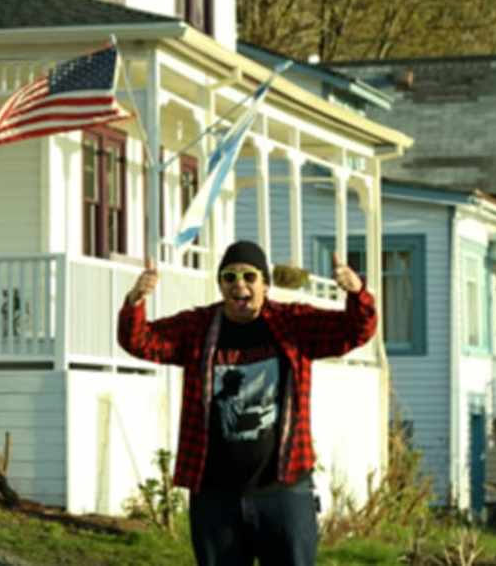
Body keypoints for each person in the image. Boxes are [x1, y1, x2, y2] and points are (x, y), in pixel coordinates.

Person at [117, 240, 376, 566]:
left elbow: (355, 331)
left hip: (283, 490)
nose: (239, 284)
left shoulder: (293, 324)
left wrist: (357, 293)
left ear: (265, 284)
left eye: (249, 276)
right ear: (221, 286)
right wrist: (134, 301)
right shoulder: (198, 327)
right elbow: (139, 341)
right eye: (229, 277)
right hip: (215, 495)